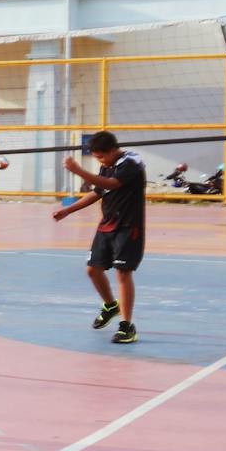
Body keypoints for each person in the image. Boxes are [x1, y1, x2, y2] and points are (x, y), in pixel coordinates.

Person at [51, 131, 145, 345]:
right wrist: (69, 210)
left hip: (129, 226)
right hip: (107, 224)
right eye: (96, 158)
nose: (99, 161)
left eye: (101, 157)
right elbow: (99, 191)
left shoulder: (131, 161)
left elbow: (112, 184)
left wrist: (78, 170)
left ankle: (126, 326)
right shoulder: (107, 165)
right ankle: (111, 305)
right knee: (93, 270)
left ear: (112, 150)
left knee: (123, 273)